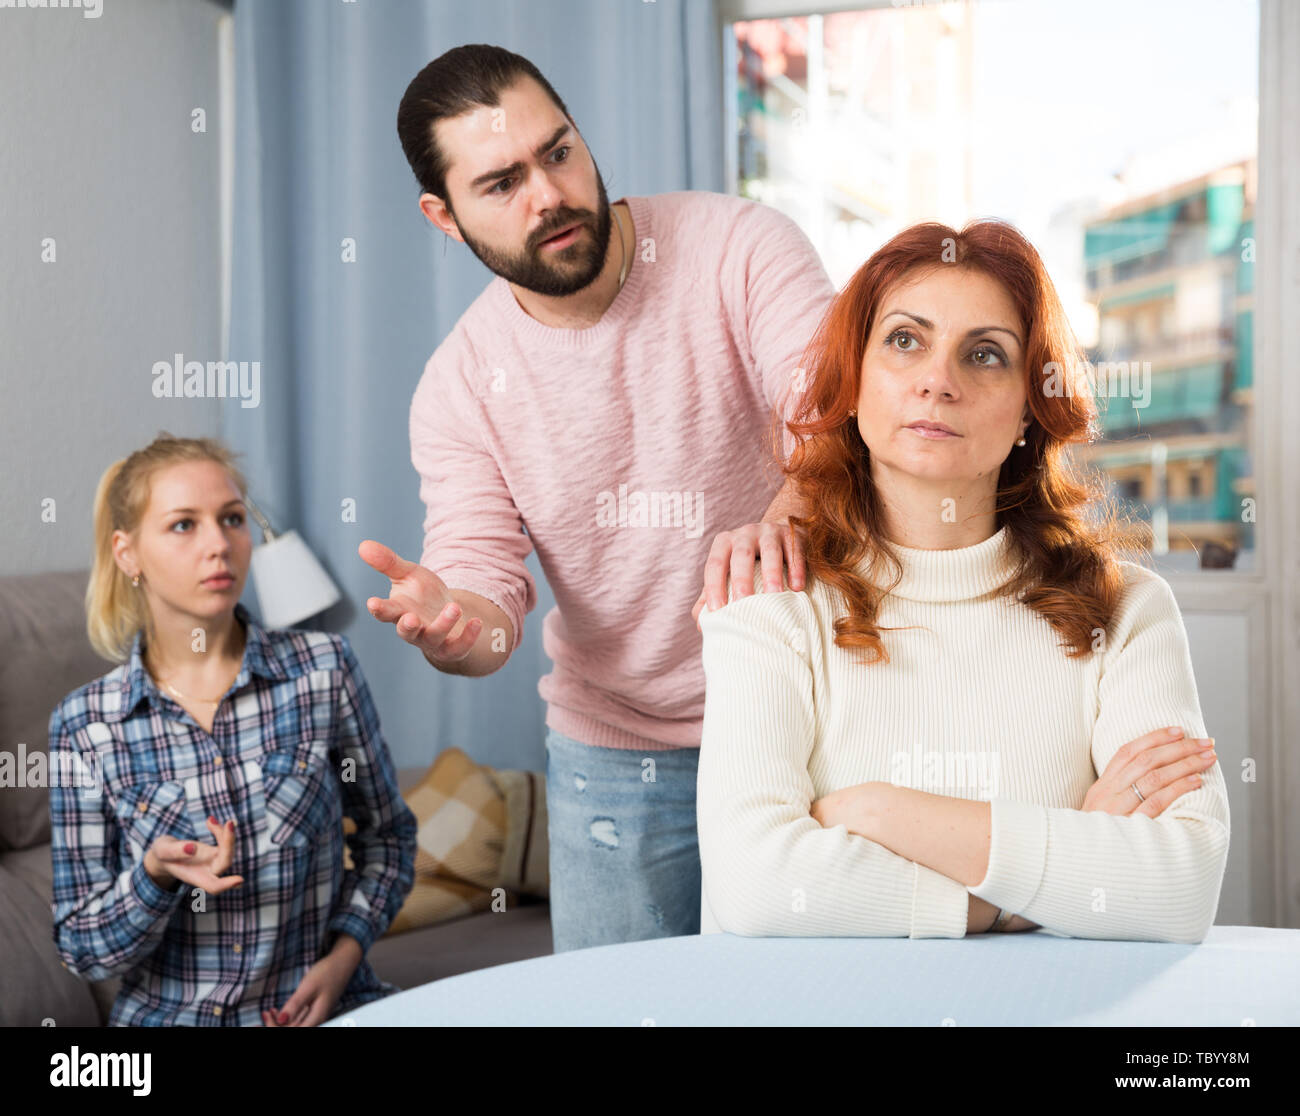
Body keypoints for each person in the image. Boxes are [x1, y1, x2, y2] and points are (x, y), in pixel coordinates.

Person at [361, 44, 832, 952]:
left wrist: (792, 510)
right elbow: (486, 599)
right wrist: (458, 626)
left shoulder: (740, 246)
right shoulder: (457, 388)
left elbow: (843, 422)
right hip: (618, 748)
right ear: (443, 217)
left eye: (559, 152)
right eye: (501, 183)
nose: (548, 196)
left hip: (807, 712)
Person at [697, 220, 1231, 943]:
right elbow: (758, 887)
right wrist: (1026, 893)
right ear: (852, 383)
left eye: (985, 355)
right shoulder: (769, 600)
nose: (938, 381)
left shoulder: (1126, 607)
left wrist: (883, 812)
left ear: (1026, 414)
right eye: (905, 340)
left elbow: (1179, 885)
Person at [49, 433, 416, 1026]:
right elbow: (82, 949)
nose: (219, 544)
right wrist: (154, 877)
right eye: (183, 525)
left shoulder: (324, 669)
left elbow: (388, 841)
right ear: (128, 553)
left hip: (333, 1009)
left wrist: (345, 955)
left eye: (232, 518)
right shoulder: (86, 726)